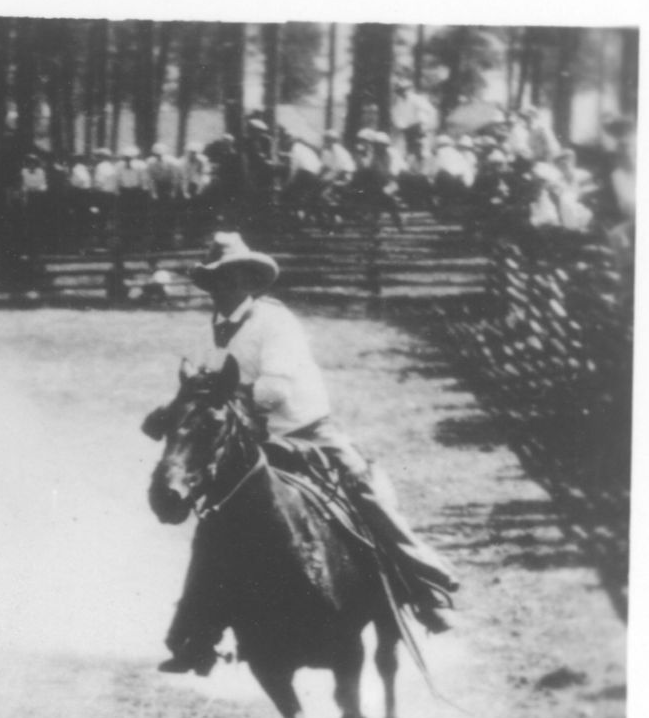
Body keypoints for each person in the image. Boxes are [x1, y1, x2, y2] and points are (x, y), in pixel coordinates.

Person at [152, 233, 459, 674]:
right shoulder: (211, 332)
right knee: (213, 527)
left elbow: (275, 389)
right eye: (214, 280)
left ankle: (421, 586)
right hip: (251, 445)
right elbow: (200, 389)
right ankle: (197, 633)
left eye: (229, 277)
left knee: (362, 488)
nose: (220, 287)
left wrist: (223, 394)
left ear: (248, 280)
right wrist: (170, 412)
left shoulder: (275, 323)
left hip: (307, 432)